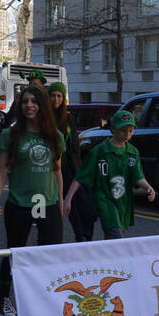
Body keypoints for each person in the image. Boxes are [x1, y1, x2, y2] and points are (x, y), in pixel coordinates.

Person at [0, 85, 65, 316]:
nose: (29, 105)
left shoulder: (54, 135)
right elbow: (0, 173)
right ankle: (4, 298)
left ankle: (44, 300)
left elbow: (57, 171)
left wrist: (60, 204)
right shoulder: (9, 135)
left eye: (34, 101)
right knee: (15, 252)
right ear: (20, 107)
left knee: (48, 255)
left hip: (47, 203)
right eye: (25, 102)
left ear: (42, 106)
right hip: (20, 204)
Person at [66, 108, 156, 239]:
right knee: (115, 234)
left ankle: (111, 259)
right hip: (105, 198)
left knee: (117, 237)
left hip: (123, 200)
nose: (127, 134)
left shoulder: (133, 152)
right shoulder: (99, 151)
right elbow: (81, 177)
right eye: (123, 130)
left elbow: (138, 177)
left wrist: (148, 187)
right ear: (113, 129)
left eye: (130, 131)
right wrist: (68, 198)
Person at [48, 82, 96, 242]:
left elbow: (74, 146)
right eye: (53, 95)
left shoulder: (68, 118)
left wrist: (79, 168)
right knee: (46, 208)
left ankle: (81, 236)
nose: (56, 99)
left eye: (59, 96)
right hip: (47, 170)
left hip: (68, 168)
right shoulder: (42, 118)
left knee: (76, 204)